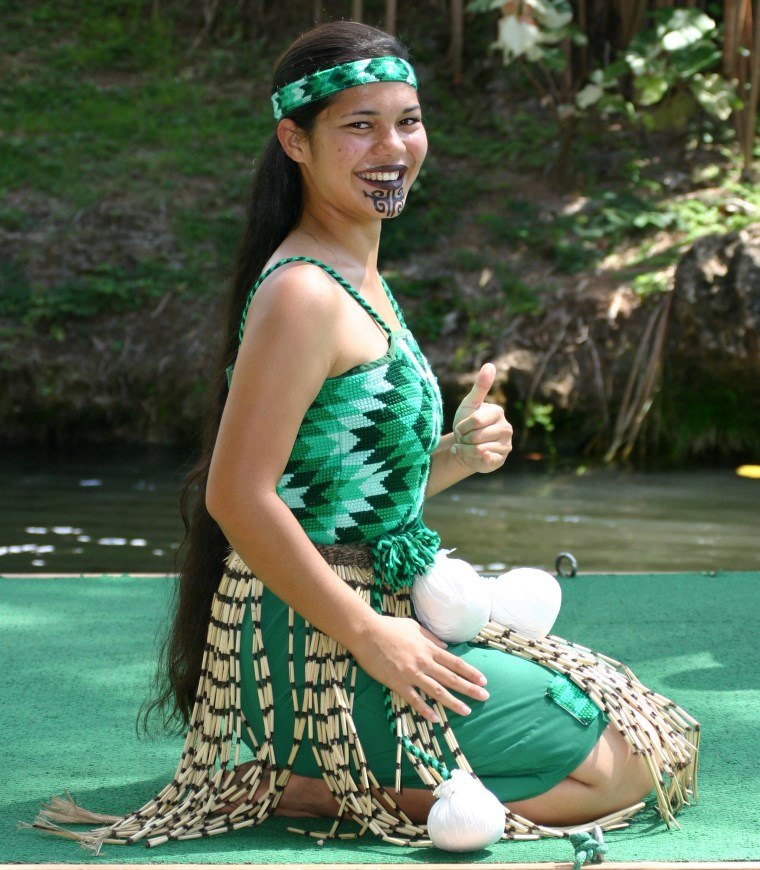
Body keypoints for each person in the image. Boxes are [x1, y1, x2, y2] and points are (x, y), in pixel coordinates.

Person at [27, 20, 698, 855]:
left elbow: (338, 499)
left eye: (408, 121)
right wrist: (374, 635)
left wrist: (453, 455)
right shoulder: (303, 292)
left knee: (638, 725)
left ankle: (328, 776)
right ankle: (314, 782)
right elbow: (237, 497)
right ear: (294, 141)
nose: (393, 146)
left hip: (366, 602)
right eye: (360, 125)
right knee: (619, 766)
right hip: (320, 639)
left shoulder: (359, 274)